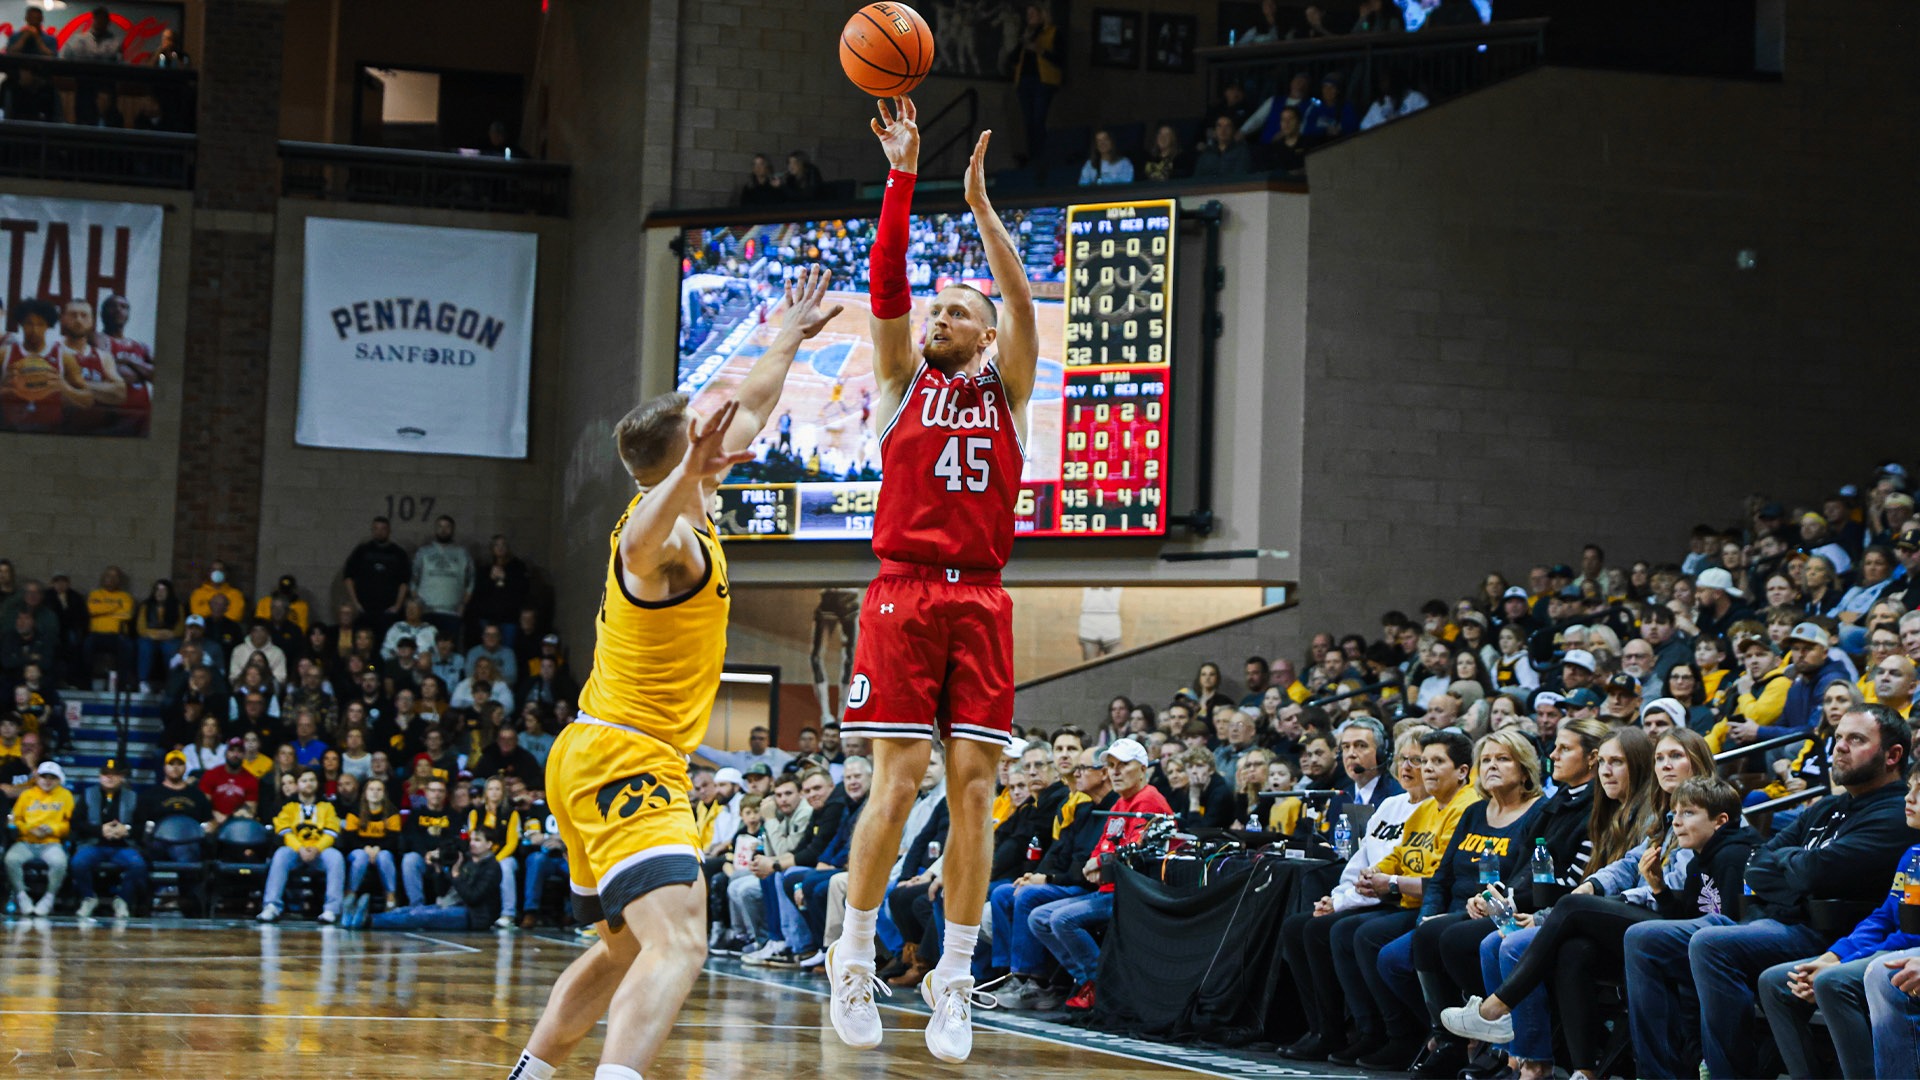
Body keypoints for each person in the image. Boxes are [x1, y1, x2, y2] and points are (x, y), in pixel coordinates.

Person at [510, 266, 839, 1080]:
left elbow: (755, 405)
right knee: (683, 939)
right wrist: (685, 474)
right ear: (677, 458)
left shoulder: (692, 499)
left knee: (625, 949)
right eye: (702, 433)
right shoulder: (660, 537)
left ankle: (531, 1075)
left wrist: (786, 338)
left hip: (599, 753)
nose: (725, 433)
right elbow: (635, 547)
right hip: (624, 758)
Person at [827, 100, 1041, 1065]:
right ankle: (856, 954)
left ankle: (955, 977)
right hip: (904, 591)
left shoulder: (1009, 389)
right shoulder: (897, 382)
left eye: (957, 309)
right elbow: (883, 285)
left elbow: (1023, 306)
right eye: (935, 307)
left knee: (974, 788)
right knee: (900, 777)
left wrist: (985, 213)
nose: (937, 315)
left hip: (982, 598)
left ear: (986, 335)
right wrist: (902, 177)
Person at [1278, 726, 1430, 1062]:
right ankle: (1324, 1029)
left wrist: (1346, 901)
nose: (1408, 767)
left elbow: (1398, 872)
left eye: (1418, 760)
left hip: (1396, 900)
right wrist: (1337, 897)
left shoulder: (1431, 809)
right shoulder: (1391, 804)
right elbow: (1359, 861)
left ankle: (1374, 1030)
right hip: (1368, 894)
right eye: (1404, 759)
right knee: (1296, 926)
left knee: (1340, 930)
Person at [1758, 768, 1920, 1079]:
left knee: (1833, 981)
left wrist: (1841, 964)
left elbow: (1910, 935)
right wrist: (1831, 957)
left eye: (1918, 791)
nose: (1908, 798)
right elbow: (1883, 918)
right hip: (1887, 950)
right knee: (1776, 981)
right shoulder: (1912, 855)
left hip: (1904, 954)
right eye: (1909, 788)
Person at [1026, 738, 1171, 1011]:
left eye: (1123, 765)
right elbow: (1101, 847)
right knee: (1039, 918)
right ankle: (1087, 980)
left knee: (1062, 919)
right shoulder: (1119, 804)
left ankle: (1101, 985)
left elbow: (1136, 853)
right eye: (1112, 765)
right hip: (1105, 889)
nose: (1115, 771)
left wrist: (1100, 864)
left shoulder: (1148, 800)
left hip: (1131, 894)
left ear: (1142, 769)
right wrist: (1094, 863)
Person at [352, 830, 502, 931]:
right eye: (472, 840)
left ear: (489, 844)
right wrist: (439, 869)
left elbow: (473, 897)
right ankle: (360, 918)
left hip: (473, 916)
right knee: (410, 910)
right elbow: (442, 892)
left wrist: (456, 875)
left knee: (421, 916)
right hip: (451, 905)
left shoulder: (492, 867)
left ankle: (367, 921)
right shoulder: (465, 859)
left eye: (478, 840)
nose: (472, 843)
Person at [257, 767, 345, 923]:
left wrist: (316, 848)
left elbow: (332, 832)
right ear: (297, 784)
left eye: (312, 780)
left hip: (319, 851)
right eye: (304, 781)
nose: (308, 784)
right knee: (281, 854)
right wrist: (300, 849)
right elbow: (284, 831)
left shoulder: (327, 807)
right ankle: (272, 906)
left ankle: (331, 909)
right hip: (295, 851)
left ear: (317, 784)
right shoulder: (288, 806)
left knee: (336, 857)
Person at [1010, 3, 1062, 164]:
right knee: (1028, 121)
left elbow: (1060, 59)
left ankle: (1041, 157)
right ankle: (1032, 156)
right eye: (1028, 15)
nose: (1030, 18)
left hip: (1043, 81)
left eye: (1033, 14)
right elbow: (1013, 58)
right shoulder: (1026, 33)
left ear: (1042, 15)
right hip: (1024, 81)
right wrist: (1023, 43)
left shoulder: (1052, 32)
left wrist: (1039, 50)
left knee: (1038, 120)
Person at [1192, 114, 1253, 178]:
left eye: (1227, 126)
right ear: (1215, 130)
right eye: (1219, 126)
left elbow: (1241, 177)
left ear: (1233, 130)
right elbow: (1197, 179)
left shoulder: (1242, 151)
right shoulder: (1206, 153)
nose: (1223, 130)